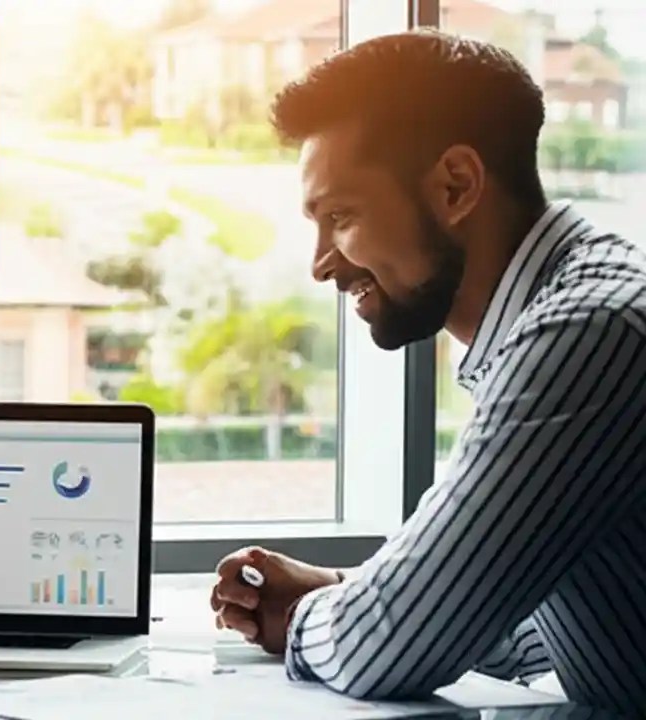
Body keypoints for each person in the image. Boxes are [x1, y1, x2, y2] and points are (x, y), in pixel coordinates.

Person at [208, 30, 646, 716]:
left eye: (341, 217)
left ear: (456, 185)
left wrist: (322, 613)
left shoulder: (586, 335)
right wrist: (353, 590)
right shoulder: (569, 318)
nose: (322, 262)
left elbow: (386, 650)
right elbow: (537, 621)